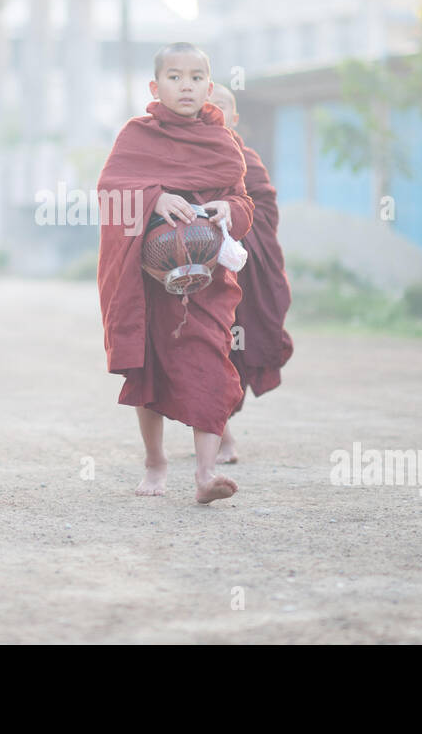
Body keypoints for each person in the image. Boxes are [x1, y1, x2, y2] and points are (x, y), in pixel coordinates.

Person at [96, 43, 254, 504]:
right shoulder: (135, 136)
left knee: (211, 365)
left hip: (206, 280)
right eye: (174, 77)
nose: (185, 86)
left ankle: (205, 475)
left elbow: (244, 203)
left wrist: (227, 207)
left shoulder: (222, 141)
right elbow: (110, 191)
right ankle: (155, 460)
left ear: (209, 86)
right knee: (152, 371)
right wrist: (154, 198)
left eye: (196, 78)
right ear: (155, 85)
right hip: (149, 283)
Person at [208, 84, 294, 464]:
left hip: (243, 271)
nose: (214, 111)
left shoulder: (246, 158)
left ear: (235, 117)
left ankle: (217, 429)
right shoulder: (186, 155)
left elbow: (266, 207)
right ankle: (220, 437)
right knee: (203, 350)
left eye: (222, 106)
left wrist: (234, 224)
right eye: (208, 106)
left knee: (234, 350)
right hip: (198, 271)